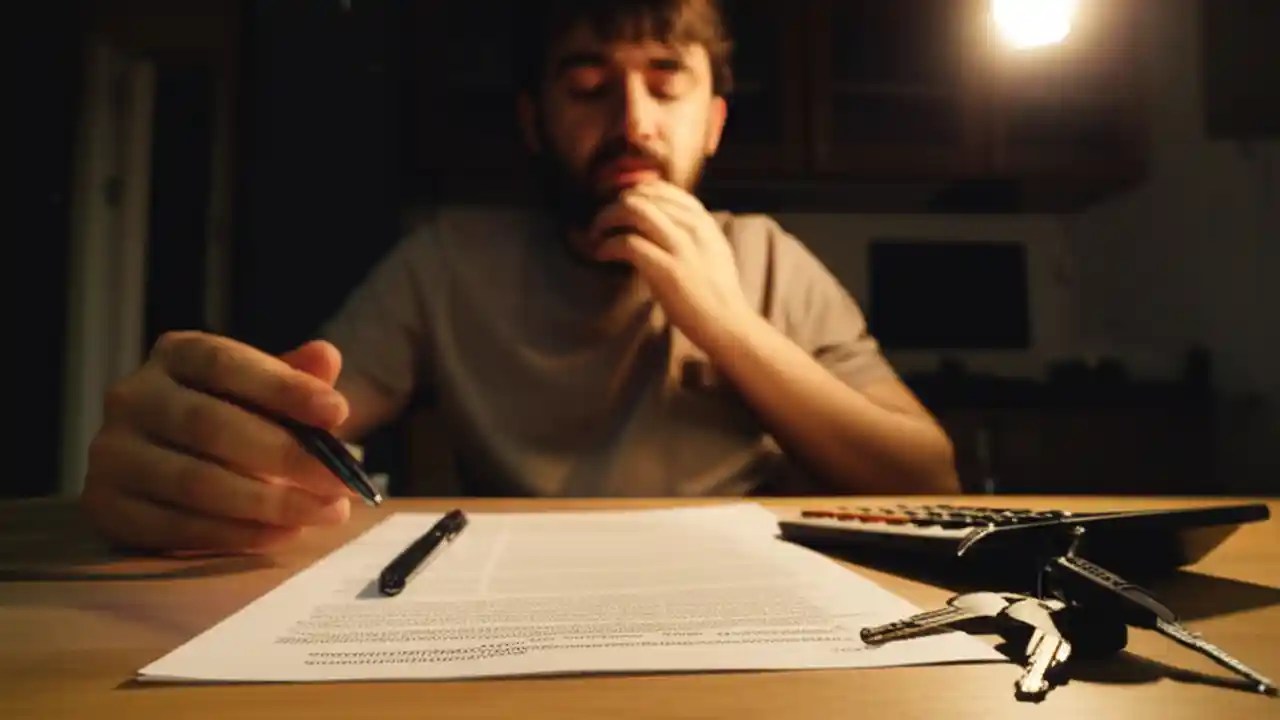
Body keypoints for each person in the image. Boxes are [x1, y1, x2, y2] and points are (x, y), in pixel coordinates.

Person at [80, 0, 960, 554]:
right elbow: (302, 425)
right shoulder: (448, 264)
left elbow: (931, 479)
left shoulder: (767, 255)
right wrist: (192, 452)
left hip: (749, 598)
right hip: (506, 599)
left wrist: (726, 323)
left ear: (715, 122)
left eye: (666, 85)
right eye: (588, 86)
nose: (633, 122)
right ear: (535, 121)